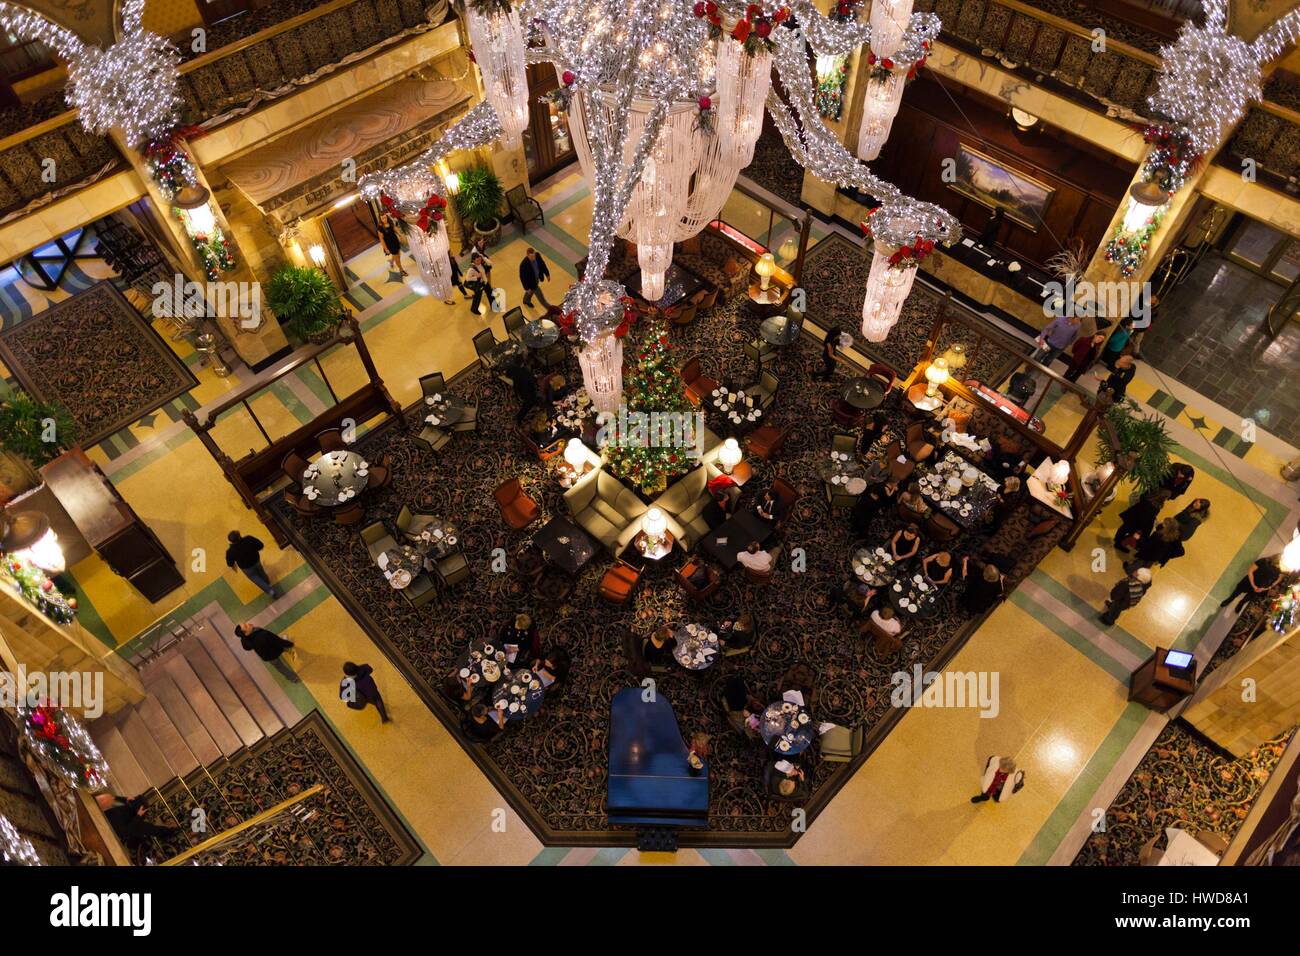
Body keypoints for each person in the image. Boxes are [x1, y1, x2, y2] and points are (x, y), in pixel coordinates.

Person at [97, 793, 179, 853]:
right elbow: (126, 832)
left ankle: (170, 831)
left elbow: (111, 798)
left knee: (146, 828)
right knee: (146, 828)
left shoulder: (120, 808)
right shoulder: (116, 815)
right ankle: (170, 831)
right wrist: (138, 816)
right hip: (121, 831)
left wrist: (125, 799)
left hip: (128, 821)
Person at [234, 622, 299, 682]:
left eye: (245, 623)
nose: (248, 624)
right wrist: (290, 644)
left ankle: (292, 677)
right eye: (246, 626)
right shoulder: (263, 635)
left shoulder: (244, 639)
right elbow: (277, 641)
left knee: (280, 667)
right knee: (282, 646)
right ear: (246, 633)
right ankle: (288, 649)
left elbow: (246, 648)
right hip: (274, 649)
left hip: (267, 656)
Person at [1114, 488, 1170, 552]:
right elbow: (1147, 518)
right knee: (1132, 533)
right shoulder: (1155, 508)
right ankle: (1119, 543)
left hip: (1133, 515)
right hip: (1139, 522)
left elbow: (1141, 498)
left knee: (1124, 527)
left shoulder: (1147, 497)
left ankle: (1117, 538)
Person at [225, 530, 278, 597]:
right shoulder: (248, 539)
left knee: (255, 578)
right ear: (239, 536)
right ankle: (267, 582)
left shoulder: (230, 551)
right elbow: (260, 545)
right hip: (256, 560)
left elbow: (230, 563)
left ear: (231, 541)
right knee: (261, 571)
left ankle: (270, 591)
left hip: (246, 567)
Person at [505, 360, 541, 425]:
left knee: (530, 401)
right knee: (528, 405)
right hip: (528, 389)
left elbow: (509, 377)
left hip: (521, 390)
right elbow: (532, 380)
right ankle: (519, 417)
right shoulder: (525, 371)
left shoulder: (514, 371)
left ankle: (535, 403)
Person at [378, 212, 406, 277]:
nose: (384, 219)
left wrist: (400, 234)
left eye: (385, 217)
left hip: (395, 241)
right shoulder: (380, 228)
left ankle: (391, 261)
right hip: (389, 244)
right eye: (382, 218)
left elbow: (395, 229)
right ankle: (401, 270)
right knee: (397, 257)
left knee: (398, 254)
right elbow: (381, 239)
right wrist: (386, 249)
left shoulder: (390, 222)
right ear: (380, 219)